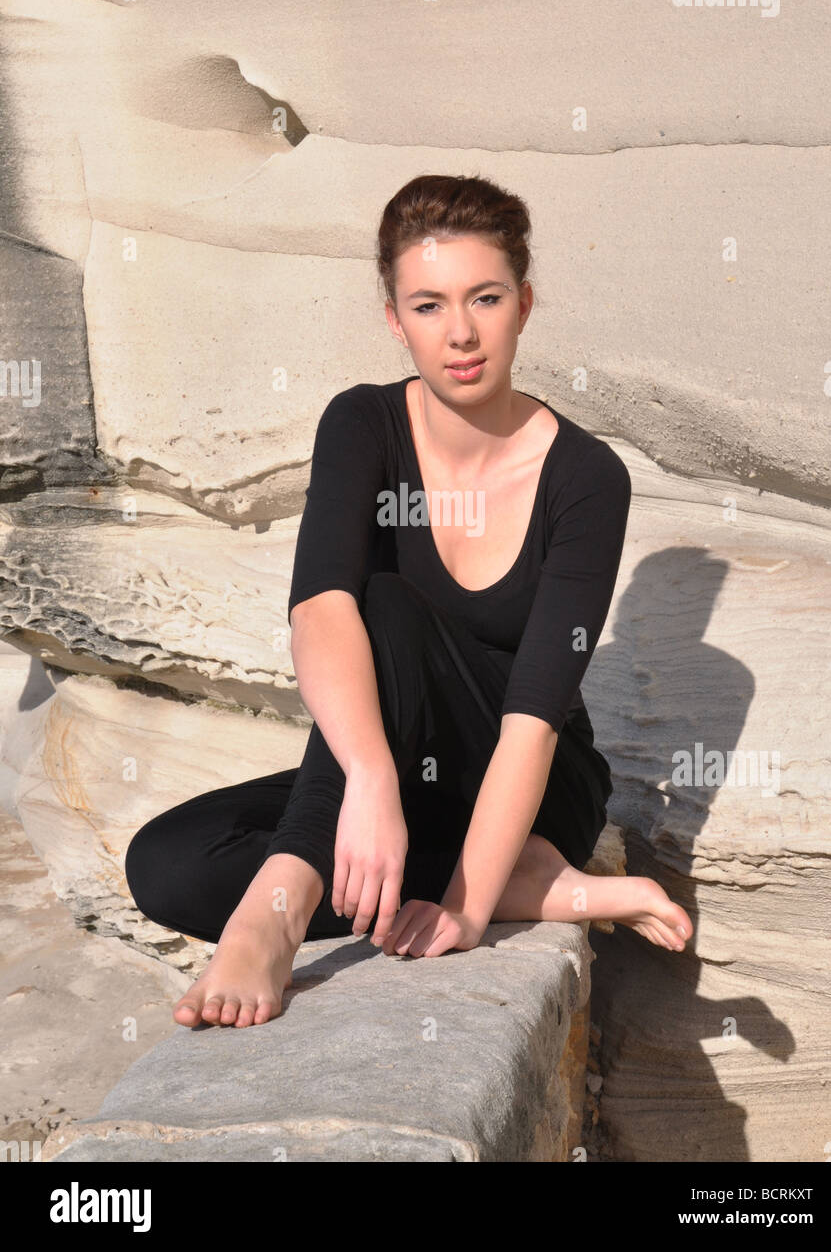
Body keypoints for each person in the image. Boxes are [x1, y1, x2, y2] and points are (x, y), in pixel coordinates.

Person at [125, 173, 693, 1030]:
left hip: (529, 779)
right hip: (397, 770)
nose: (459, 333)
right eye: (428, 305)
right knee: (167, 864)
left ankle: (276, 916)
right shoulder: (362, 425)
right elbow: (316, 609)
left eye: (485, 298)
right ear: (394, 318)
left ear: (524, 304)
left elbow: (533, 720)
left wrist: (464, 910)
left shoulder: (584, 477)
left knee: (385, 605)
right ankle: (532, 886)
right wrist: (371, 779)